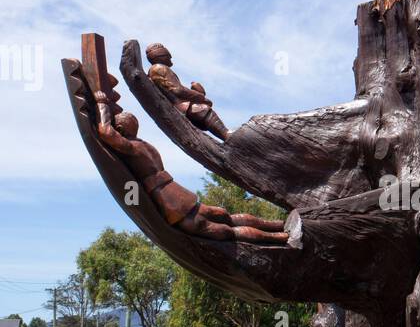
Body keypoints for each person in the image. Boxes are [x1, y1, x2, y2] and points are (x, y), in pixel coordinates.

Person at [94, 93, 287, 244]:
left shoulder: (133, 147)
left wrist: (101, 104)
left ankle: (279, 237)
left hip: (170, 200)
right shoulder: (146, 145)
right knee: (224, 216)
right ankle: (279, 225)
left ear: (121, 130)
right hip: (176, 192)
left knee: (225, 232)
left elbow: (105, 132)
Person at [145, 43, 229, 141]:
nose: (170, 58)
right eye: (168, 56)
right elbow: (177, 90)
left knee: (202, 114)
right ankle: (226, 135)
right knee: (203, 110)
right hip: (178, 106)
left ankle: (225, 136)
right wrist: (200, 96)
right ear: (161, 56)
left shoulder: (158, 69)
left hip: (177, 105)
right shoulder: (159, 68)